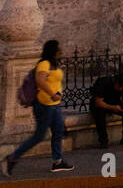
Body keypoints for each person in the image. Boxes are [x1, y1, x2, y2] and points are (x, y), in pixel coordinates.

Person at [2, 39, 74, 176]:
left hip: (54, 105)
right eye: (59, 48)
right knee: (38, 136)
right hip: (45, 105)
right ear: (53, 50)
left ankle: (58, 162)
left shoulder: (54, 64)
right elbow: (40, 80)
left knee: (58, 132)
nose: (61, 50)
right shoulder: (44, 63)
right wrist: (53, 94)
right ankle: (11, 158)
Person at [91, 72, 123, 147]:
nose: (120, 89)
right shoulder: (103, 83)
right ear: (115, 82)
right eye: (119, 87)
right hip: (100, 104)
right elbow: (98, 102)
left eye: (122, 88)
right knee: (99, 112)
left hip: (114, 102)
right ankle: (103, 141)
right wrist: (113, 108)